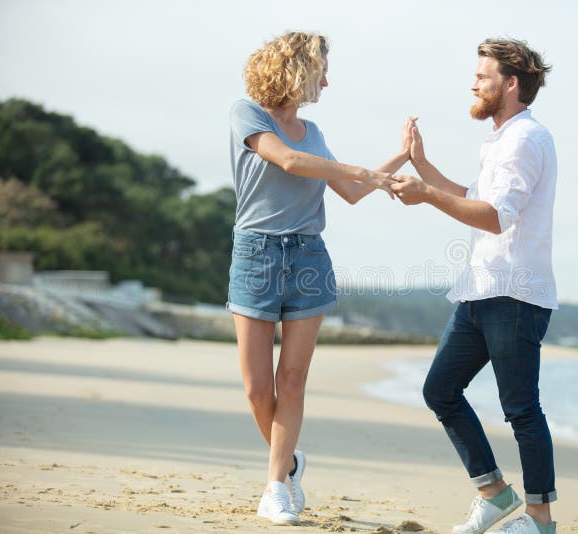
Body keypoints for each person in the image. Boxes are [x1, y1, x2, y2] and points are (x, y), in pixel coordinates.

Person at [227, 30, 412, 525]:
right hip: (255, 257)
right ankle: (288, 464)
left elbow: (349, 191)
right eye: (321, 71)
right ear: (296, 68)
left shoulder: (315, 133)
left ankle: (274, 489)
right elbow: (286, 159)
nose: (326, 81)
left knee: (292, 380)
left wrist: (399, 159)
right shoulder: (248, 115)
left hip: (308, 259)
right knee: (255, 389)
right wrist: (361, 170)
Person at [390, 38, 558, 534]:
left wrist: (424, 197)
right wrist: (422, 170)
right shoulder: (502, 139)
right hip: (480, 290)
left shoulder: (526, 139)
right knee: (440, 389)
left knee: (521, 408)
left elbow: (495, 217)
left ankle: (540, 521)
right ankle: (494, 493)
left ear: (510, 84)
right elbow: (472, 196)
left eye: (482, 76)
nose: (473, 83)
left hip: (515, 294)